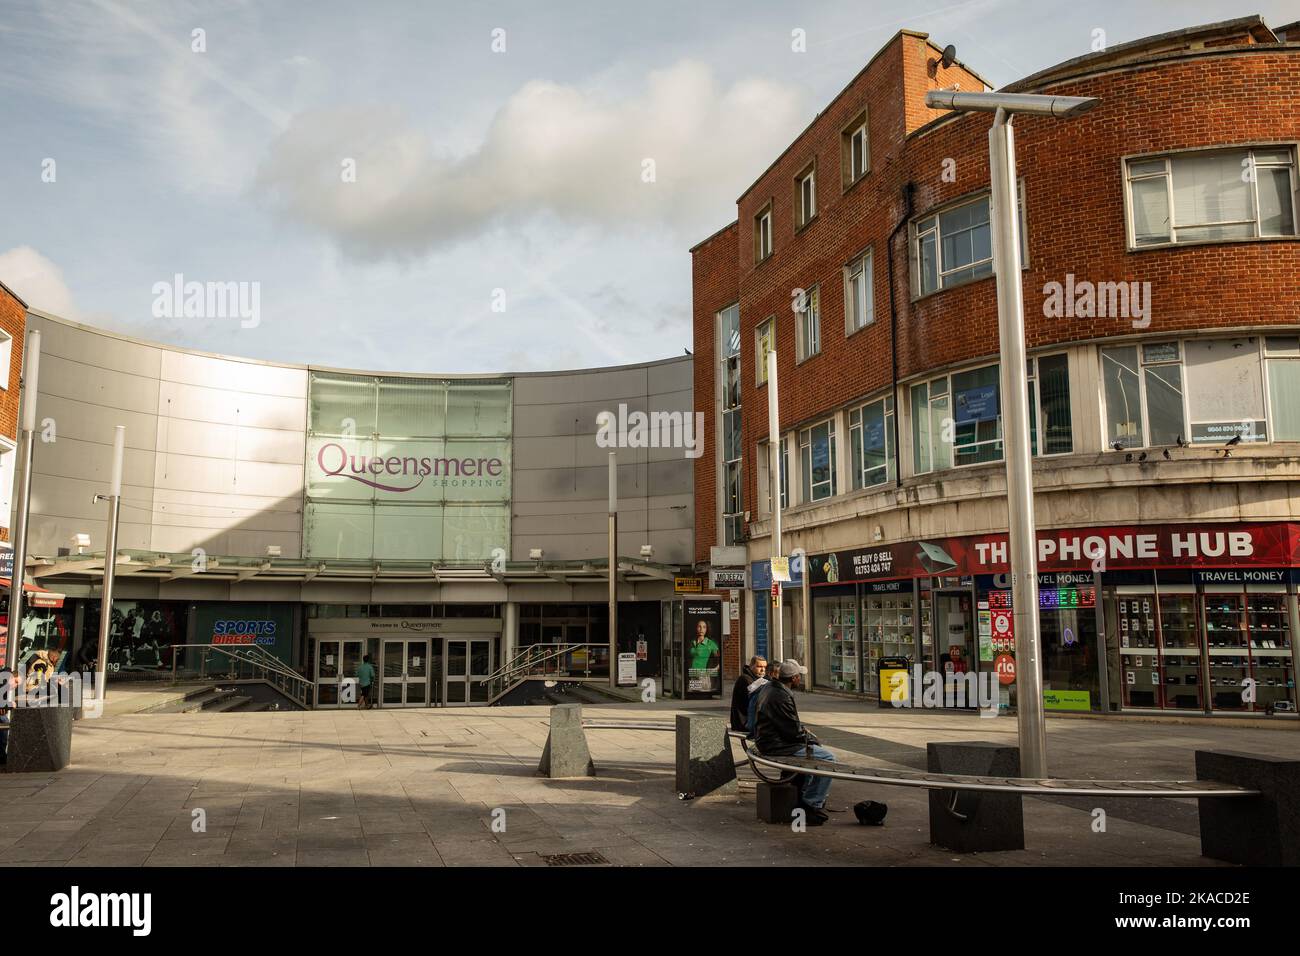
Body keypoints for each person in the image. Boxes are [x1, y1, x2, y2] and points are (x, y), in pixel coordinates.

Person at [754, 659, 837, 825]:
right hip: (777, 745)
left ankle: (808, 796)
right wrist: (810, 739)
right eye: (799, 676)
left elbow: (790, 725)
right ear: (794, 679)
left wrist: (805, 734)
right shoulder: (781, 696)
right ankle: (812, 803)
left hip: (770, 740)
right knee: (828, 759)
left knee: (816, 754)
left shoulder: (771, 688)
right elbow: (792, 731)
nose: (800, 679)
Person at [730, 655, 767, 732]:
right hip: (744, 723)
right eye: (759, 666)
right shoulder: (745, 679)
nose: (763, 670)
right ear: (751, 666)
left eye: (764, 667)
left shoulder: (755, 678)